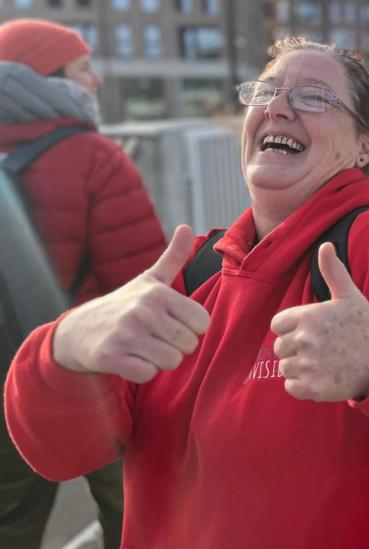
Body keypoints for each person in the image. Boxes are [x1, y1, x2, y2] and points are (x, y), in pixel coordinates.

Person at [5, 36, 369, 548]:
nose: (279, 108)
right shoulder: (193, 270)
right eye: (265, 91)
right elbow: (60, 454)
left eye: (314, 97)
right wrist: (64, 349)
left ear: (364, 148)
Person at [0, 19, 166, 548]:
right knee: (132, 512)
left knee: (11, 521)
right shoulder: (95, 157)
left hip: (5, 379)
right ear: (43, 79)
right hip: (92, 378)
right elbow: (141, 283)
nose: (96, 80)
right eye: (83, 68)